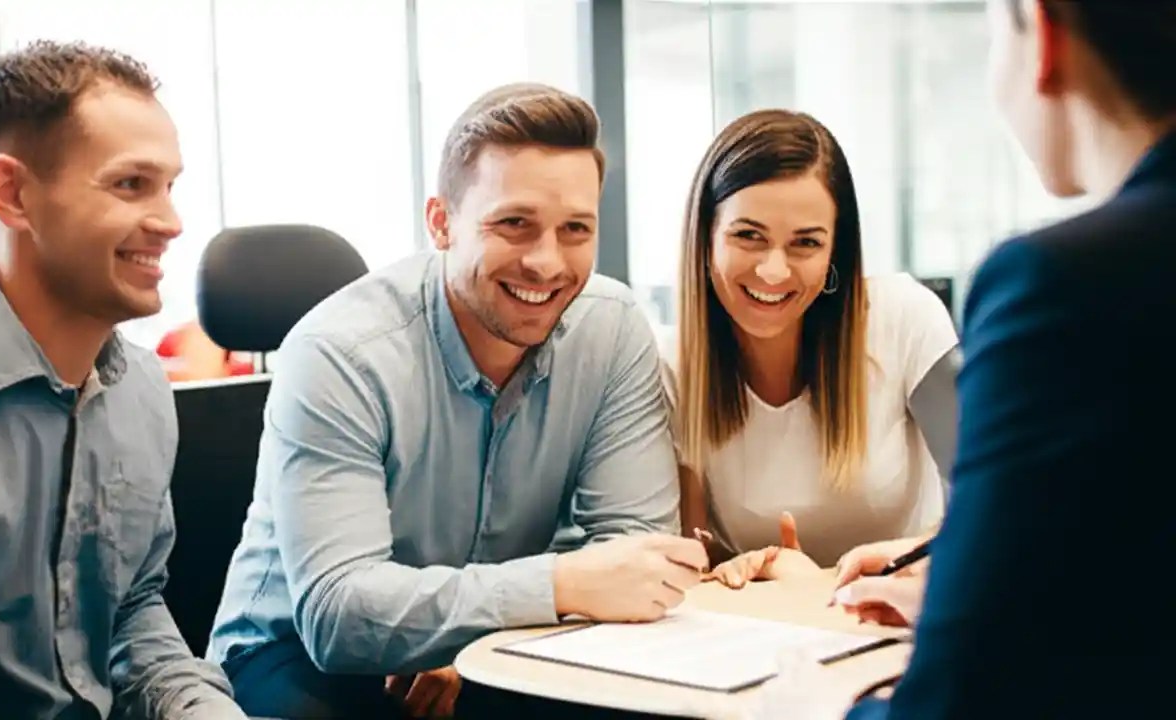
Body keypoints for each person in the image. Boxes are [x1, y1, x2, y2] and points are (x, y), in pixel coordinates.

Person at [207, 83, 707, 719]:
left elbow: (636, 557)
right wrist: (549, 589)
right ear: (441, 222)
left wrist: (475, 637)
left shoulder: (611, 328)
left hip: (509, 639)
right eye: (514, 224)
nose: (547, 263)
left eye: (575, 229)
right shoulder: (341, 351)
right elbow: (338, 614)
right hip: (296, 656)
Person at [760, 1, 1176, 717]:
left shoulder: (1064, 286)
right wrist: (966, 597)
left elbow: (959, 702)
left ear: (1041, 36)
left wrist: (825, 705)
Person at [0, 41, 245, 719]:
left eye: (170, 185)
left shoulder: (139, 389)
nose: (171, 223)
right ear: (13, 194)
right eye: (130, 184)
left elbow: (132, 615)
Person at [661, 109, 959, 585]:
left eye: (806, 243)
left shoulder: (905, 317)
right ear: (705, 239)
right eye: (748, 236)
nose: (774, 271)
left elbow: (993, 498)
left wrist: (913, 555)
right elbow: (693, 556)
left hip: (896, 615)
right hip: (760, 629)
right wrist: (758, 570)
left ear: (834, 252)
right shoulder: (670, 362)